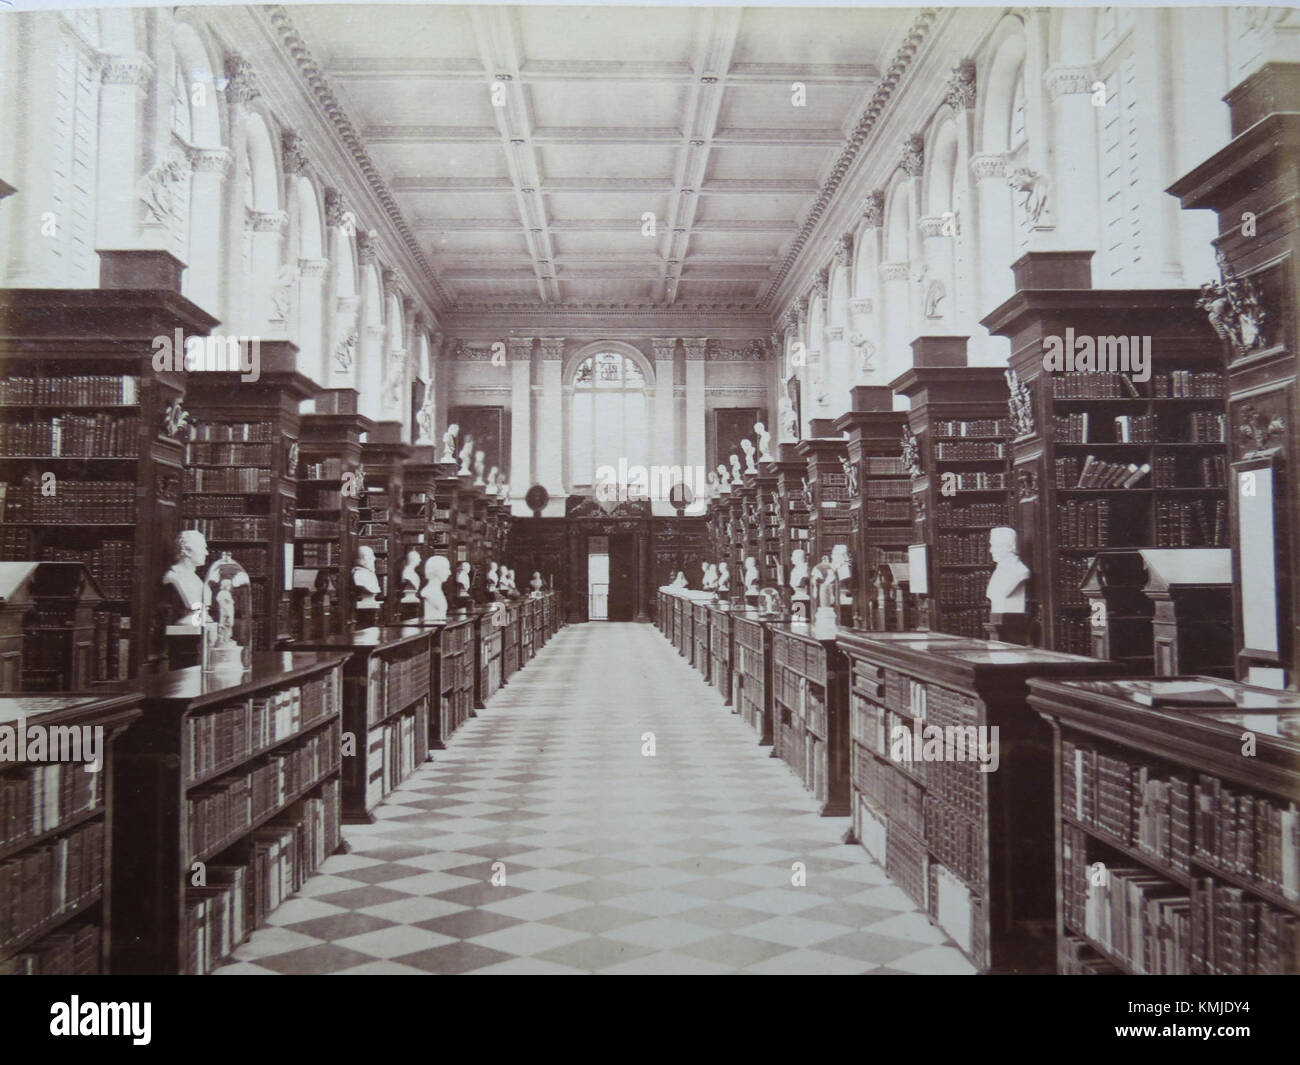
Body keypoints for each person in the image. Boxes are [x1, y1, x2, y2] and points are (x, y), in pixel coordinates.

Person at [162, 530, 210, 626]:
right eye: (203, 548)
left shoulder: (196, 579)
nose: (206, 553)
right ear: (187, 551)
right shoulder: (174, 576)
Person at [986, 527, 1030, 614]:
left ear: (1008, 547)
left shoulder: (1020, 571)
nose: (990, 550)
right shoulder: (999, 570)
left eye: (994, 546)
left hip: (1011, 619)